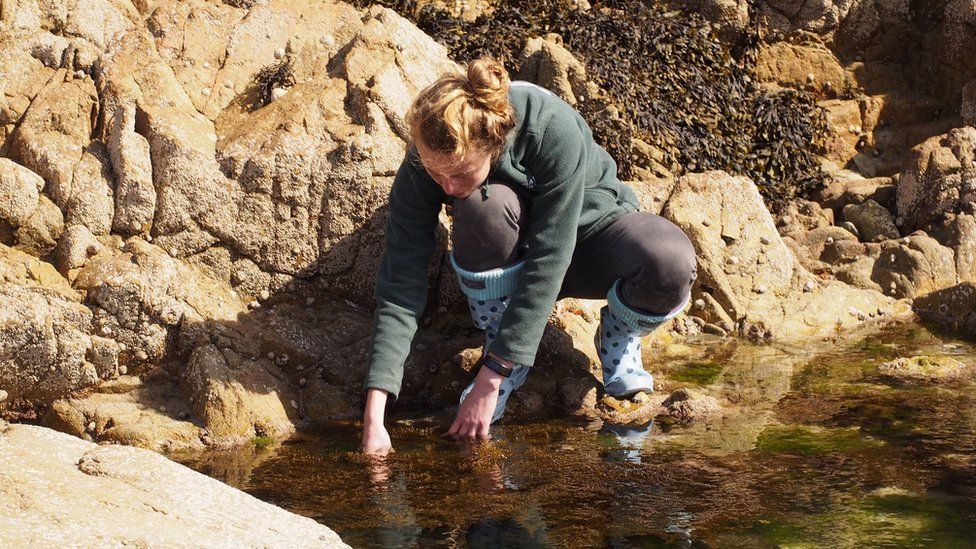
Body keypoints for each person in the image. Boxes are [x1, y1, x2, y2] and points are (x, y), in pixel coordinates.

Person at [361, 58, 697, 455]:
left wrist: (491, 378)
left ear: (493, 144)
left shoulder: (550, 127)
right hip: (513, 253)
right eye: (438, 176)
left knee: (670, 262)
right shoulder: (430, 156)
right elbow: (401, 280)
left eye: (460, 174)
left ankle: (617, 337)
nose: (446, 188)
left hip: (590, 241)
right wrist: (375, 412)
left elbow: (550, 256)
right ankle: (501, 335)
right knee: (480, 206)